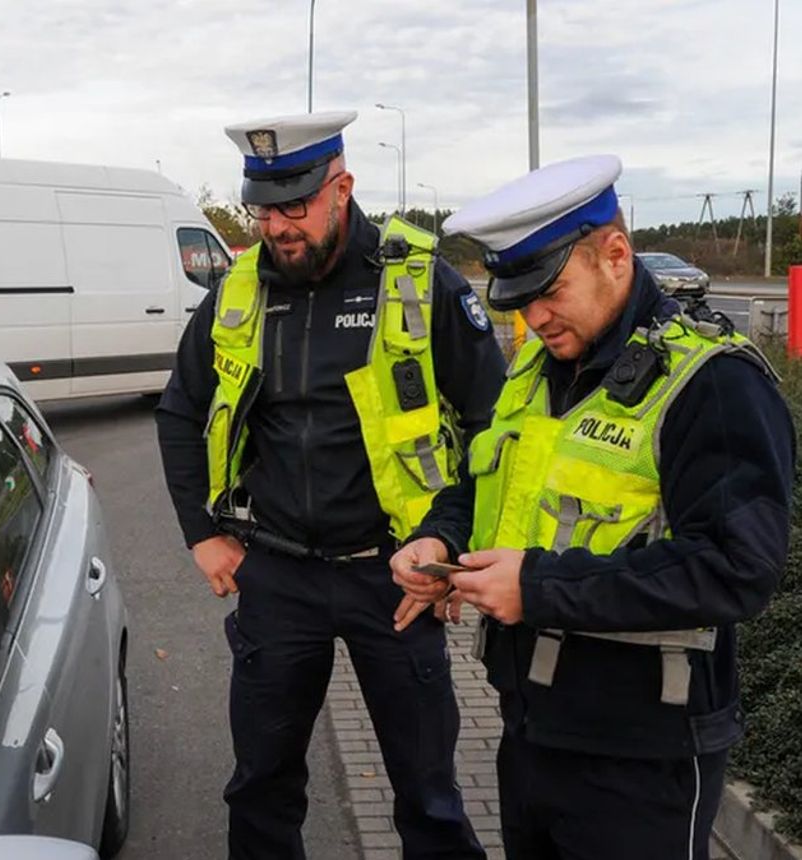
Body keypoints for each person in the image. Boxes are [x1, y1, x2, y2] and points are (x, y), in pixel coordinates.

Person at [391, 154, 794, 859]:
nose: (534, 317)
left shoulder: (713, 384)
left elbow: (739, 568)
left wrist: (539, 587)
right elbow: (486, 481)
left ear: (614, 254)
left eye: (550, 290)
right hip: (530, 735)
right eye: (516, 300)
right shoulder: (538, 370)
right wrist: (439, 540)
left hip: (643, 762)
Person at [156, 110, 501, 859]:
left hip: (397, 578)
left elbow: (494, 427)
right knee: (261, 787)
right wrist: (202, 534)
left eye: (296, 204)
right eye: (265, 207)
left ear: (342, 187)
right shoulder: (238, 291)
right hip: (277, 576)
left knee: (431, 798)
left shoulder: (417, 281)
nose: (278, 226)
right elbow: (179, 409)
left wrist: (449, 540)